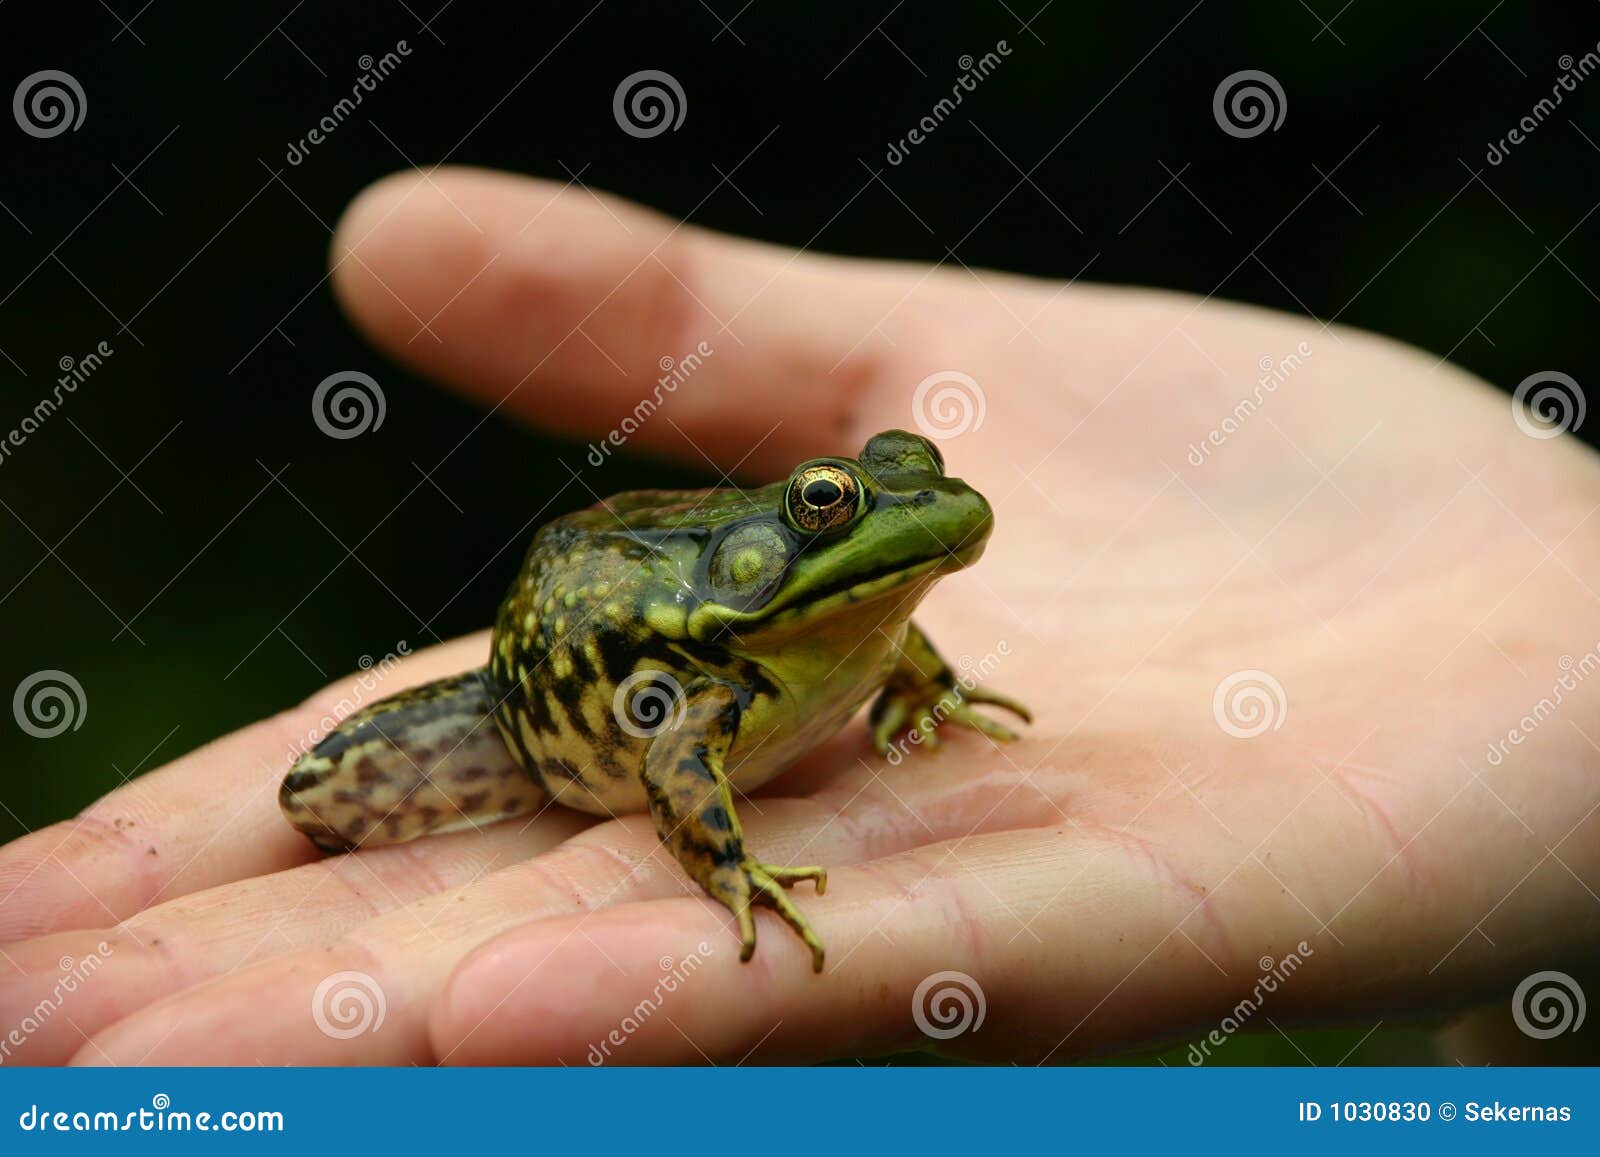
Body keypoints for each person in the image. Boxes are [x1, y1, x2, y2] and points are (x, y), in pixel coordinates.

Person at [1, 168, 1595, 1065]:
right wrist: (730, 859)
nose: (898, 520)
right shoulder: (715, 663)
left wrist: (920, 680)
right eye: (837, 511)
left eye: (891, 495)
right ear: (785, 540)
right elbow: (680, 744)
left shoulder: (852, 615)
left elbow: (885, 616)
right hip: (547, 699)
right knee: (318, 789)